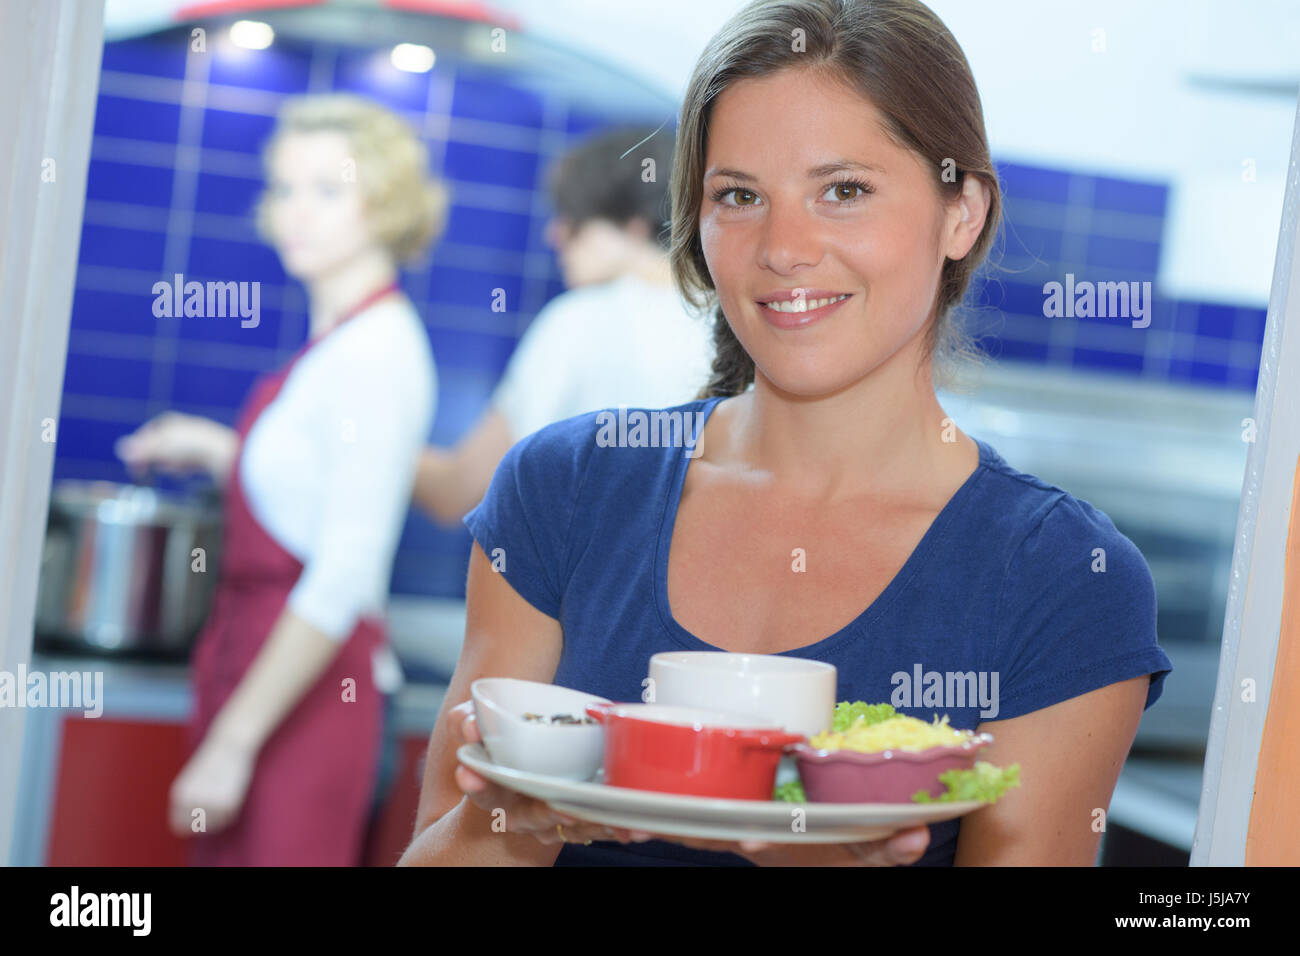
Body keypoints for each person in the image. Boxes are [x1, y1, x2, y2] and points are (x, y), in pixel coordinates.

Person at [398, 0, 1173, 867]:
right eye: (739, 196)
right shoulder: (565, 488)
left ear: (963, 213)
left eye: (844, 191)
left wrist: (814, 851)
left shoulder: (1062, 580)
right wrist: (510, 818)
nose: (784, 248)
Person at [116, 94, 445, 865]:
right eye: (286, 189)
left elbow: (344, 572)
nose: (297, 212)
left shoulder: (375, 355)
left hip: (311, 696)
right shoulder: (339, 338)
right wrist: (217, 448)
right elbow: (316, 489)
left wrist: (232, 743)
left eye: (328, 191)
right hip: (266, 671)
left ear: (384, 205)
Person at [410, 126, 715, 527]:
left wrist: (373, 445)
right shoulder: (735, 322)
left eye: (573, 221)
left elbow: (461, 489)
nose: (554, 235)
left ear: (633, 227)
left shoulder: (582, 320)